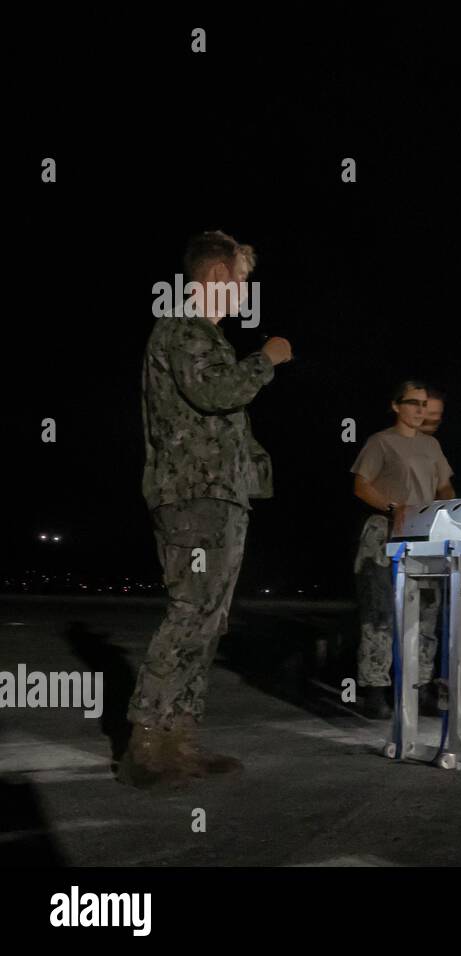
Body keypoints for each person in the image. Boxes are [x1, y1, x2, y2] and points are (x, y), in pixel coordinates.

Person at [120, 230, 292, 789]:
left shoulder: (204, 337)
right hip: (192, 496)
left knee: (209, 620)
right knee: (191, 611)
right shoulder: (183, 329)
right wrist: (266, 359)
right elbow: (214, 395)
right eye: (242, 279)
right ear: (218, 277)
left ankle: (181, 739)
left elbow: (221, 421)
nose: (246, 290)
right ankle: (146, 740)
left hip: (217, 494)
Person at [351, 381, 456, 718]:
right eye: (413, 403)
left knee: (426, 610)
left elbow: (443, 485)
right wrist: (392, 506)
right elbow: (361, 485)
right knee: (380, 613)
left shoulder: (431, 445)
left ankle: (421, 686)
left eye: (424, 404)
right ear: (396, 405)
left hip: (423, 532)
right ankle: (375, 689)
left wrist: (451, 511)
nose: (419, 410)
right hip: (386, 530)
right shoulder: (381, 441)